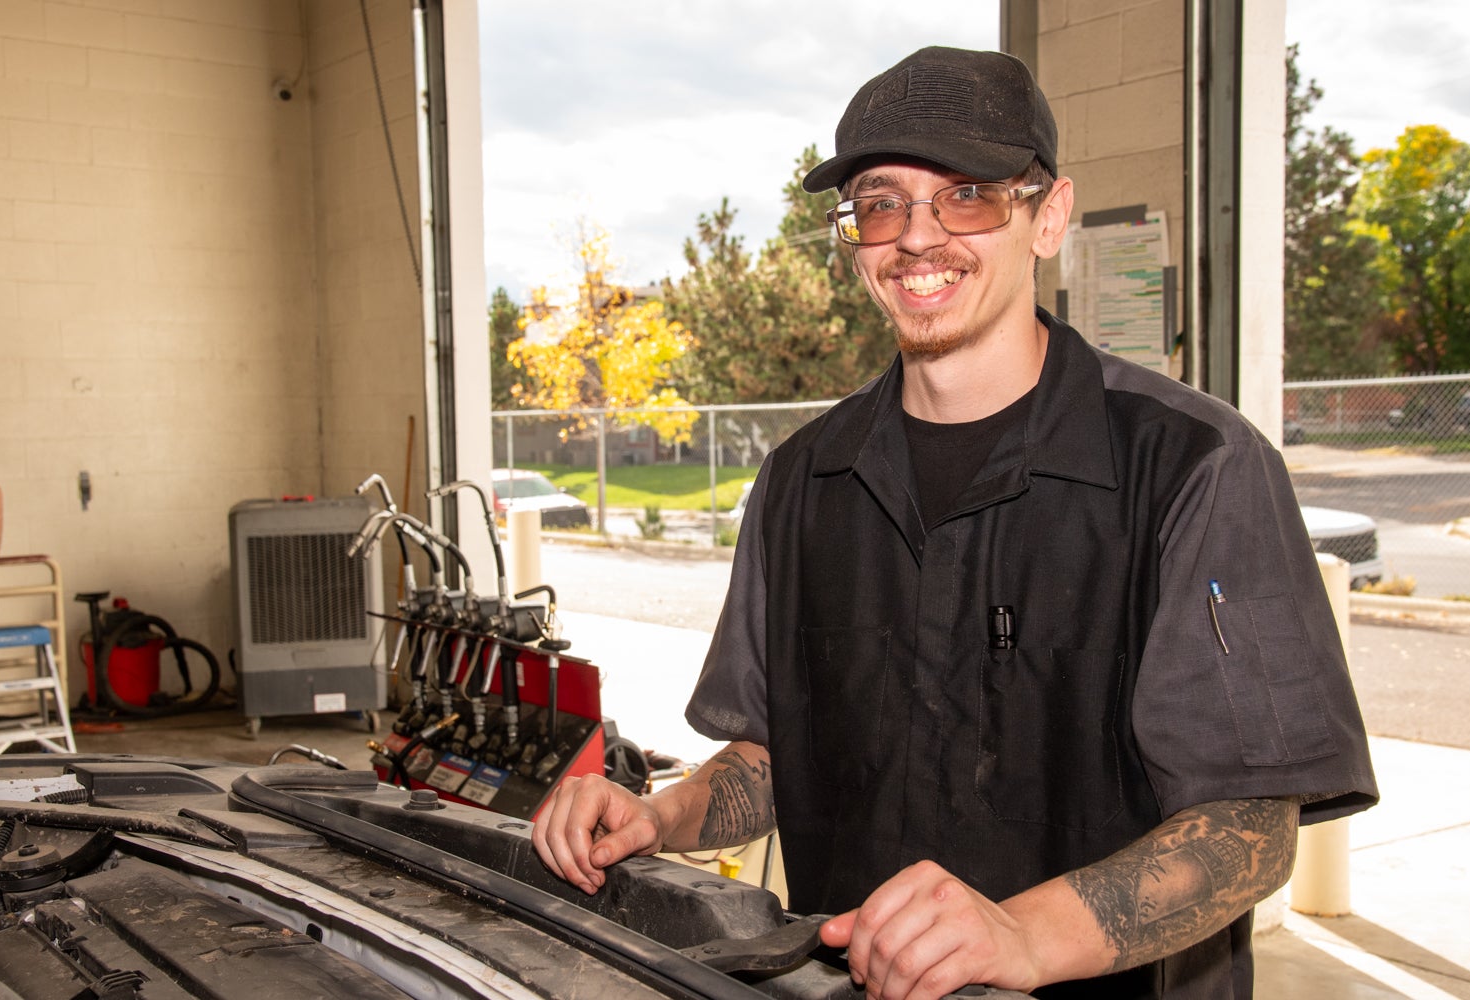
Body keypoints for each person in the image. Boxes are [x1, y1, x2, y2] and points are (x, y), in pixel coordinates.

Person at [534, 46, 1377, 999]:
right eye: (882, 203)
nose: (917, 238)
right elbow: (772, 754)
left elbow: (1249, 830)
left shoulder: (1198, 467)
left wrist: (1021, 935)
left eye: (968, 194)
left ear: (1046, 216)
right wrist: (665, 813)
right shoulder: (802, 483)